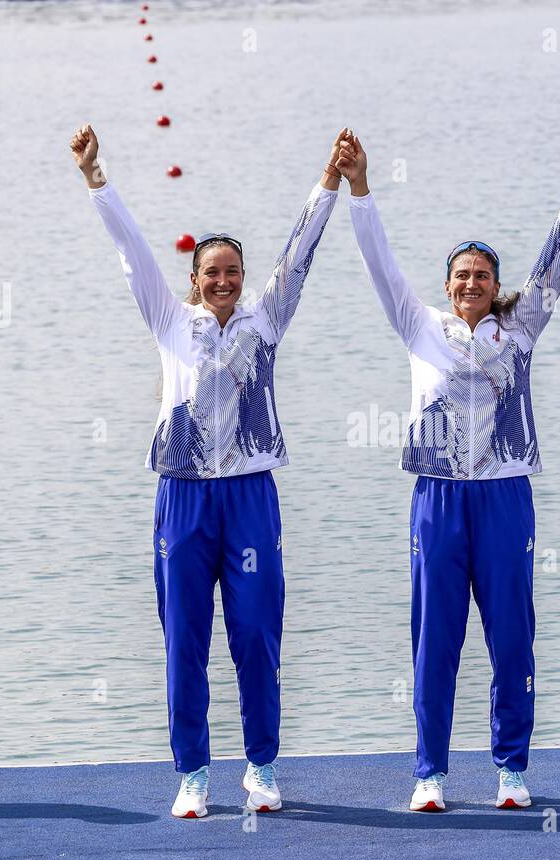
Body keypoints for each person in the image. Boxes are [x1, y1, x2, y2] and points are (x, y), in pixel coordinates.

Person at [71, 124, 344, 819]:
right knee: (185, 640)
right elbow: (133, 252)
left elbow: (300, 254)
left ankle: (261, 766)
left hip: (250, 496)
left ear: (243, 279)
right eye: (211, 273)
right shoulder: (171, 322)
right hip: (184, 498)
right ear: (194, 280)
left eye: (233, 272)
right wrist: (97, 178)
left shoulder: (265, 320)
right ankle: (193, 772)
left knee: (255, 634)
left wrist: (330, 180)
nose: (223, 281)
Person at [334, 130, 560, 811]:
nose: (471, 284)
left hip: (505, 497)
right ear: (447, 286)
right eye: (461, 276)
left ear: (496, 286)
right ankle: (430, 774)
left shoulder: (522, 327)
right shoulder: (419, 326)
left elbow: (556, 262)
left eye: (482, 275)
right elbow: (378, 262)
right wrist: (359, 187)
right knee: (435, 640)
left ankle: (511, 769)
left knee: (512, 637)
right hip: (439, 498)